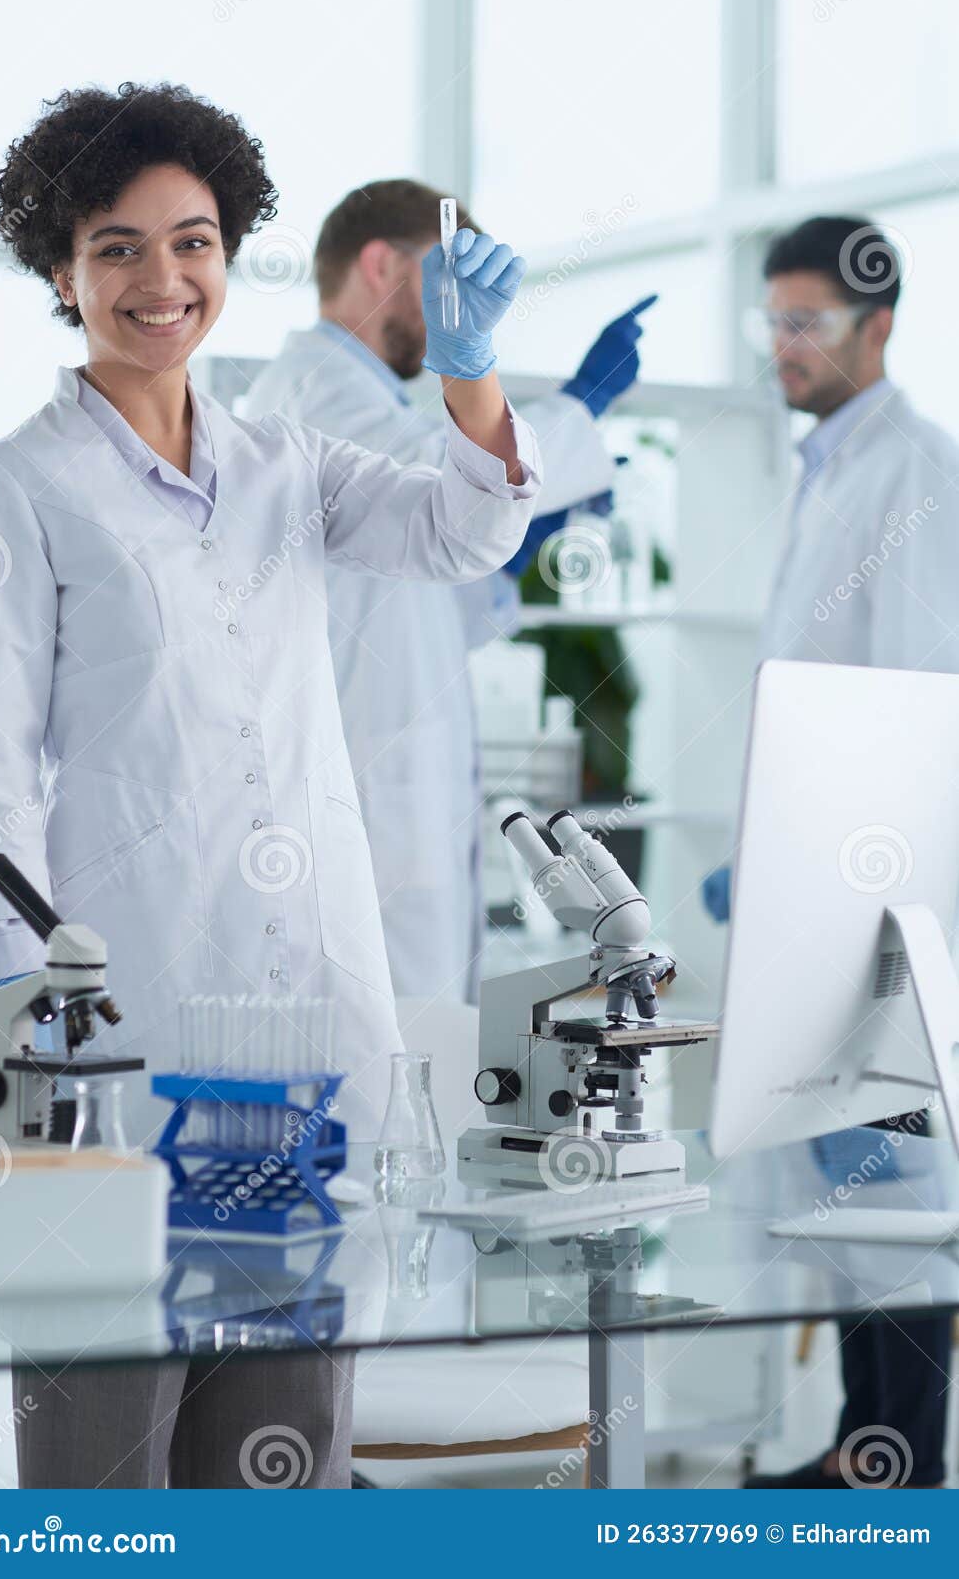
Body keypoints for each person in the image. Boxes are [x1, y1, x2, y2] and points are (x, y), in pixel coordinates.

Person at [0, 84, 540, 1488]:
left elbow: (461, 531)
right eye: (119, 246)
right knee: (107, 1465)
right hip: (123, 1033)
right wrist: (21, 1006)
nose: (163, 280)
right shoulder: (18, 487)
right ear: (60, 267)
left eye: (192, 241)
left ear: (232, 251)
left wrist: (468, 370)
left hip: (304, 1037)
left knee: (284, 1462)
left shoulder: (283, 461)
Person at [245, 179, 655, 1001]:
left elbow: (425, 574)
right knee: (383, 1068)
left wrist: (516, 540)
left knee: (424, 1059)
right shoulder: (313, 386)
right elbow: (431, 473)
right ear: (379, 264)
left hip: (401, 796)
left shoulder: (361, 395)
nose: (460, 309)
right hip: (363, 802)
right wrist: (577, 408)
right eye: (448, 282)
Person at [705, 214, 959, 1489]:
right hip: (818, 892)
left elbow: (909, 703)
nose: (784, 346)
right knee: (851, 1193)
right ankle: (859, 1448)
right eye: (775, 321)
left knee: (894, 1187)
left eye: (806, 322)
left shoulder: (910, 470)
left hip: (876, 905)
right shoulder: (828, 468)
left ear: (879, 324)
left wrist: (829, 879)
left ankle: (900, 1467)